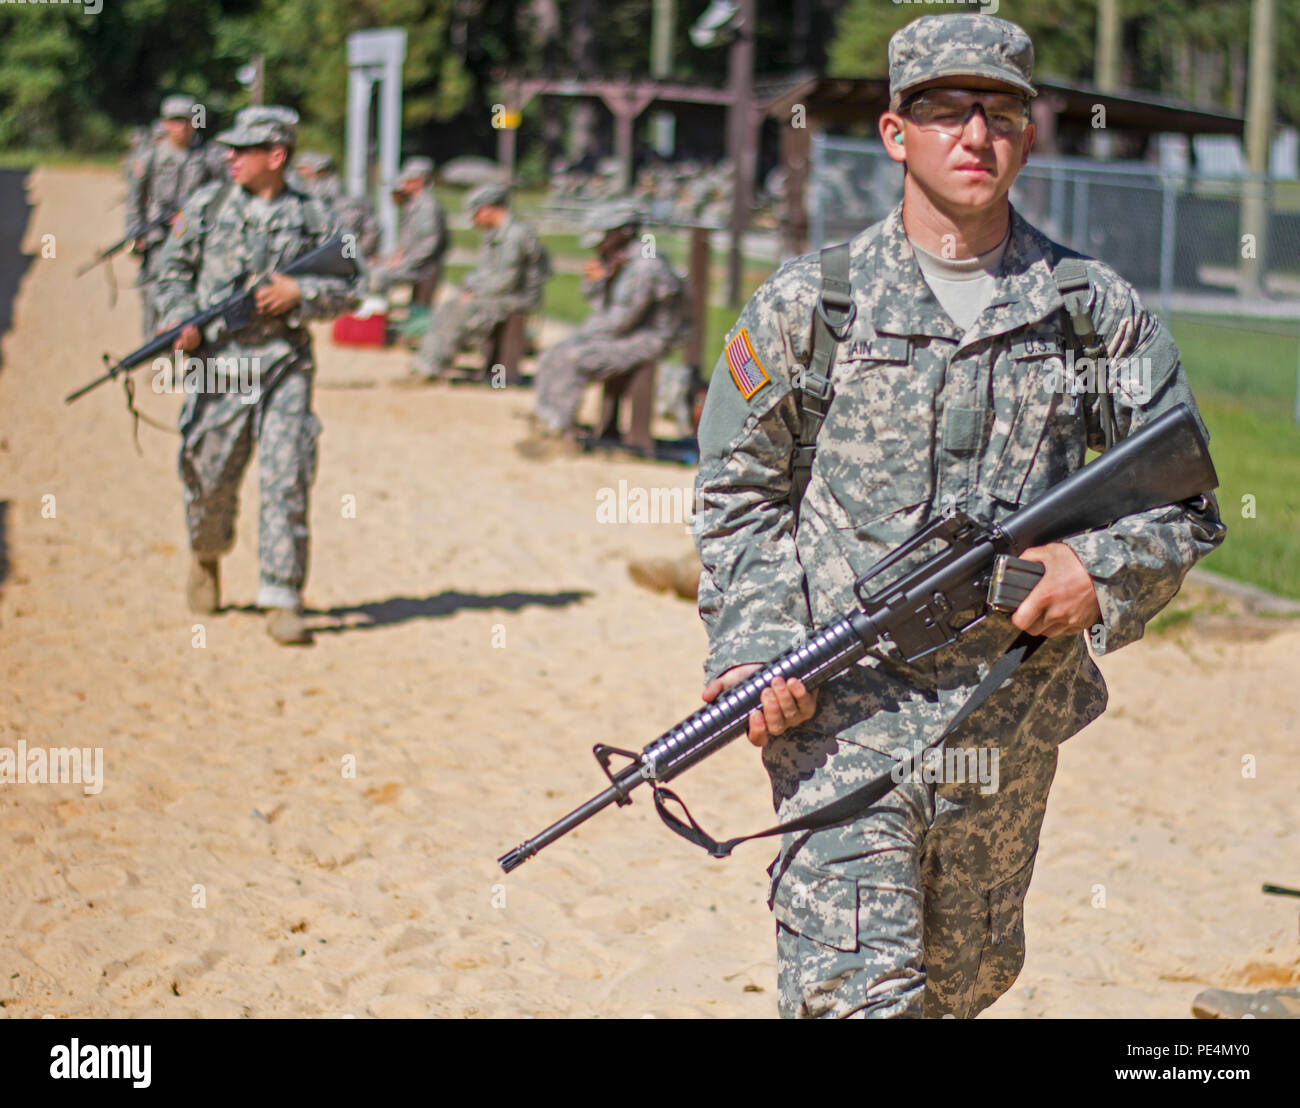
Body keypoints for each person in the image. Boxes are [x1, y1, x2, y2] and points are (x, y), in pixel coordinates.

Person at [691, 13, 1225, 1019]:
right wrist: (754, 647)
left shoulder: (1089, 312)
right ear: (896, 134)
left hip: (1002, 727)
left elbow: (1185, 503)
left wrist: (1094, 572)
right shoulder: (814, 305)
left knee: (962, 983)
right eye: (944, 112)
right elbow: (738, 491)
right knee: (856, 998)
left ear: (1028, 136)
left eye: (1000, 112)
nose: (973, 135)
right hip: (840, 717)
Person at [152, 106, 363, 645]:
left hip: (284, 364)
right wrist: (179, 320)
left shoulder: (316, 215)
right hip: (222, 367)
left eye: (242, 149)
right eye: (228, 148)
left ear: (276, 156)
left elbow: (353, 286)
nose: (229, 156)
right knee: (211, 475)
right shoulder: (207, 204)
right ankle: (206, 555)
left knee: (286, 476)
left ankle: (281, 593)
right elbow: (169, 272)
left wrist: (301, 295)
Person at [517, 201, 685, 459]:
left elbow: (620, 321)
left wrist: (579, 338)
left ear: (625, 232)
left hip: (648, 339)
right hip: (625, 333)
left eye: (602, 237)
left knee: (573, 358)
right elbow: (601, 309)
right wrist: (596, 282)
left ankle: (560, 431)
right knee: (553, 354)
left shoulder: (644, 266)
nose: (597, 245)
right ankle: (547, 419)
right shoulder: (618, 259)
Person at [406, 182, 548, 383]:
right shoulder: (495, 234)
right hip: (500, 294)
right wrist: (470, 287)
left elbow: (507, 280)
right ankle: (426, 364)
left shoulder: (515, 235)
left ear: (490, 209)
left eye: (476, 212)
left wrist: (475, 293)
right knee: (448, 308)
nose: (474, 219)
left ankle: (432, 367)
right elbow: (485, 272)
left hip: (516, 298)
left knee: (459, 312)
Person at [125, 94, 225, 336]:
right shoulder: (151, 156)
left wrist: (202, 218)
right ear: (165, 123)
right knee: (152, 293)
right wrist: (135, 232)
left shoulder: (207, 157)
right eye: (174, 121)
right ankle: (153, 350)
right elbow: (135, 198)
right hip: (158, 237)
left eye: (186, 121)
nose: (180, 128)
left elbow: (223, 194)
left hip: (194, 238)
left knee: (190, 292)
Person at [368, 156, 447, 307]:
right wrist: (397, 254)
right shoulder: (414, 204)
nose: (404, 184)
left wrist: (404, 262)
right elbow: (409, 238)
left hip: (424, 268)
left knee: (379, 279)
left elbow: (429, 244)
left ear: (420, 180)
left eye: (408, 180)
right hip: (414, 263)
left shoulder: (427, 207)